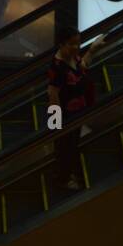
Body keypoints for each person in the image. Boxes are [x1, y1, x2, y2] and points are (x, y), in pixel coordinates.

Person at [46, 27, 107, 190]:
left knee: (72, 145)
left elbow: (83, 66)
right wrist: (56, 125)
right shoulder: (57, 67)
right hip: (67, 116)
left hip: (78, 112)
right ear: (61, 44)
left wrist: (93, 49)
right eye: (72, 44)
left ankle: (66, 173)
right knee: (65, 148)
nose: (76, 47)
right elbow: (53, 95)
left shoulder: (73, 57)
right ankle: (62, 179)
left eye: (78, 43)